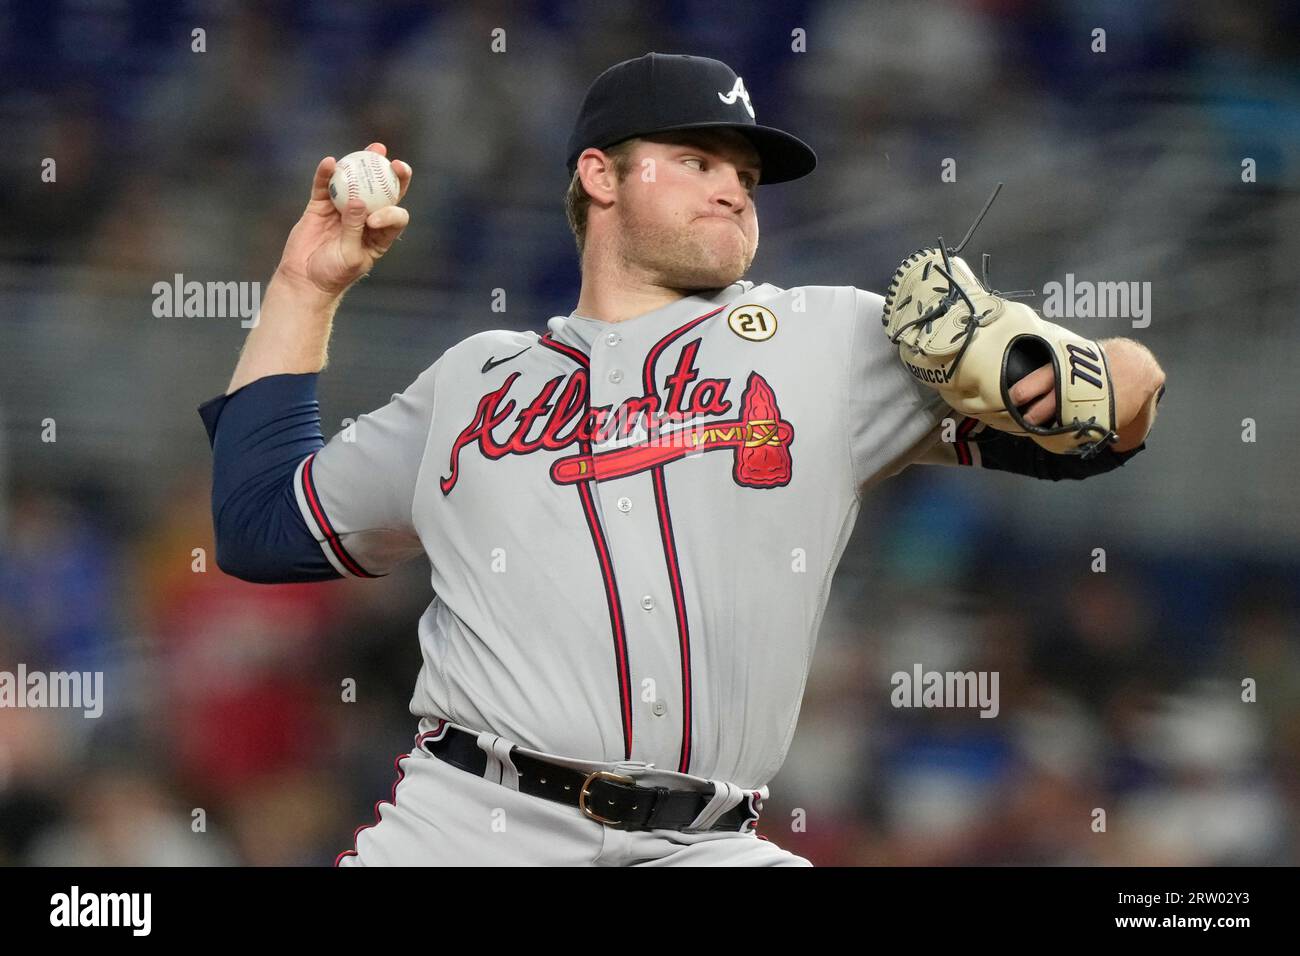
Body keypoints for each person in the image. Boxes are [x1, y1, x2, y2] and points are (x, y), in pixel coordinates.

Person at [198, 53, 1166, 866]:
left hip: (708, 843)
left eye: (744, 172)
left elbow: (1114, 413)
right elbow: (260, 526)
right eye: (698, 158)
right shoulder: (471, 379)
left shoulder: (831, 337)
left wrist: (1039, 366)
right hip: (469, 826)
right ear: (600, 175)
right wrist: (305, 284)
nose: (732, 186)